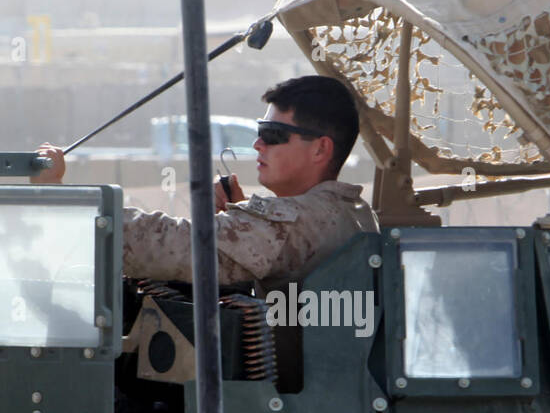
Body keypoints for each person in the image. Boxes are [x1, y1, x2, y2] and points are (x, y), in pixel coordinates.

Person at [34, 75, 377, 284]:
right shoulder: (353, 212)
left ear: (320, 150)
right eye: (260, 132)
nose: (258, 144)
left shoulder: (292, 222)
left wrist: (62, 203)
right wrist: (239, 217)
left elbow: (173, 246)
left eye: (273, 134)